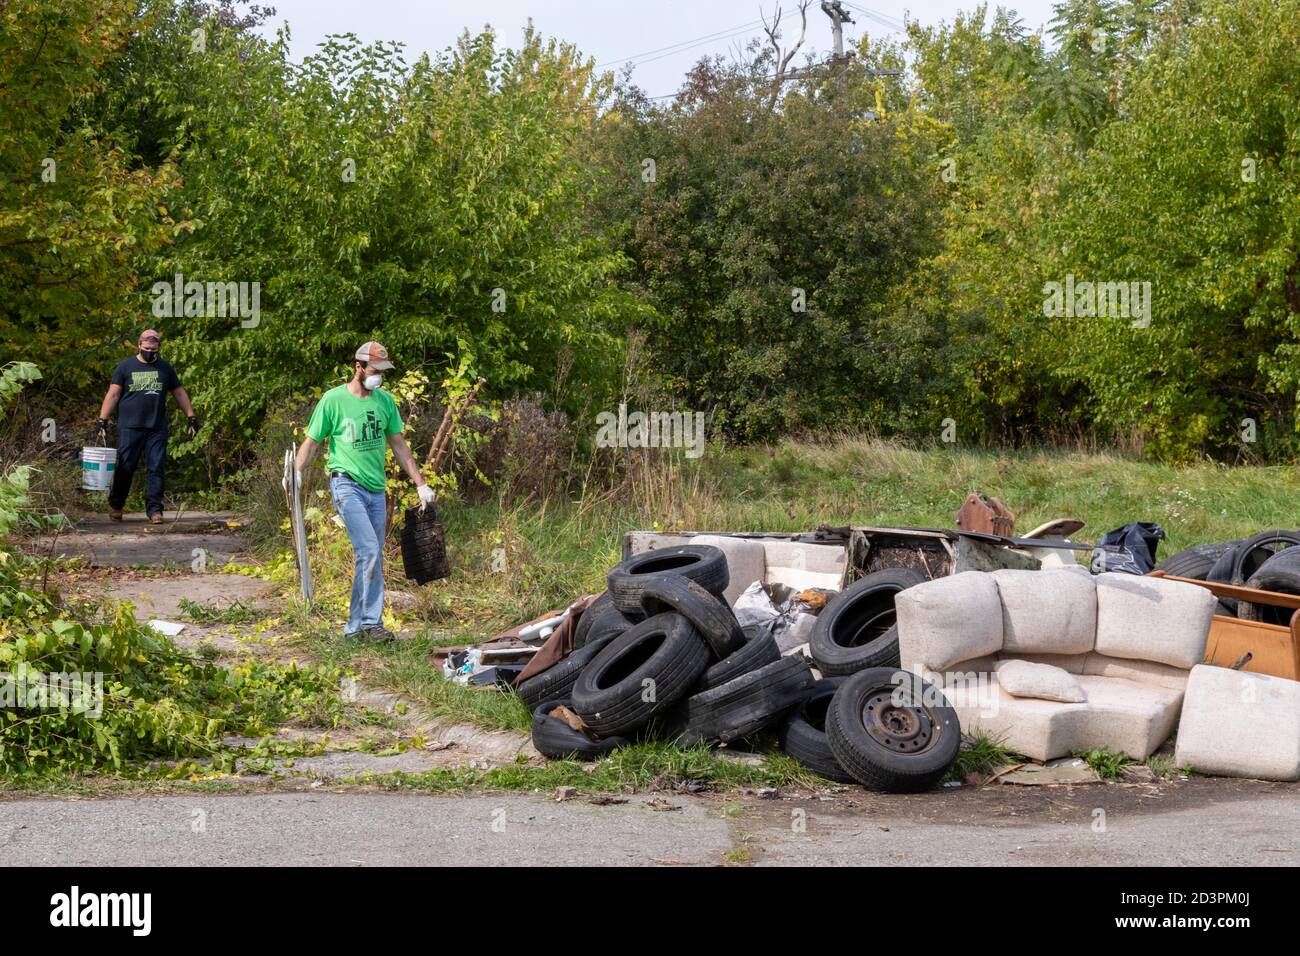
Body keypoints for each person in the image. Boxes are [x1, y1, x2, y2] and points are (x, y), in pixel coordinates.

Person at [296, 341, 434, 641]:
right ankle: (372, 624)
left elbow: (399, 445)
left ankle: (354, 628)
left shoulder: (384, 402)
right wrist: (295, 474)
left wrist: (420, 483)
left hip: (376, 489)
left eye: (383, 372)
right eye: (374, 370)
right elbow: (312, 442)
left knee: (371, 555)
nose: (379, 377)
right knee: (369, 550)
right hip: (346, 484)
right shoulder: (333, 401)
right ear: (358, 367)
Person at [96, 328, 197, 524]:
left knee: (156, 467)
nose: (150, 351)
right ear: (139, 345)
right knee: (126, 466)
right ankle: (116, 505)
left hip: (156, 427)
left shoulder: (165, 369)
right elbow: (113, 394)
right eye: (147, 347)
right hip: (129, 426)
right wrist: (103, 419)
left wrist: (191, 416)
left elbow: (179, 393)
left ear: (159, 347)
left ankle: (154, 510)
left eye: (154, 348)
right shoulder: (125, 367)